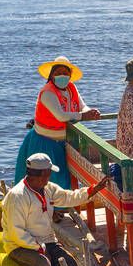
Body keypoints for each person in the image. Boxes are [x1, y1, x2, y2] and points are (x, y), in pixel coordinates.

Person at [2, 153, 108, 266]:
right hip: (20, 246)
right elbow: (16, 233)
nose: (50, 177)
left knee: (70, 263)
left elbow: (68, 197)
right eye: (49, 173)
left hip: (47, 241)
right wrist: (40, 248)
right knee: (43, 264)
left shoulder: (48, 188)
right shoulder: (17, 196)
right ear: (43, 175)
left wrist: (91, 191)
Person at [15, 56, 101, 189]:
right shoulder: (47, 92)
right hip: (45, 141)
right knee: (45, 179)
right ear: (52, 75)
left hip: (63, 141)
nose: (62, 76)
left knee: (62, 178)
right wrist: (83, 116)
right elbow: (61, 116)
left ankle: (61, 207)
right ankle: (49, 208)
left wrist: (90, 112)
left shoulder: (71, 88)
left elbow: (82, 106)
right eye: (58, 73)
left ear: (70, 75)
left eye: (65, 73)